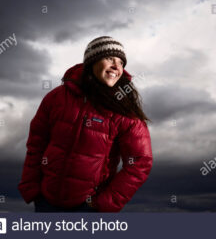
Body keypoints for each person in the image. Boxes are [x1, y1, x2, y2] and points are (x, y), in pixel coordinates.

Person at [17, 36, 153, 212]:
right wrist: (32, 188)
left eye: (121, 63)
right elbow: (36, 144)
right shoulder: (57, 97)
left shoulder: (125, 110)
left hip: (89, 207)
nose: (116, 67)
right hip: (46, 202)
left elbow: (141, 161)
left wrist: (105, 203)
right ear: (92, 61)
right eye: (110, 58)